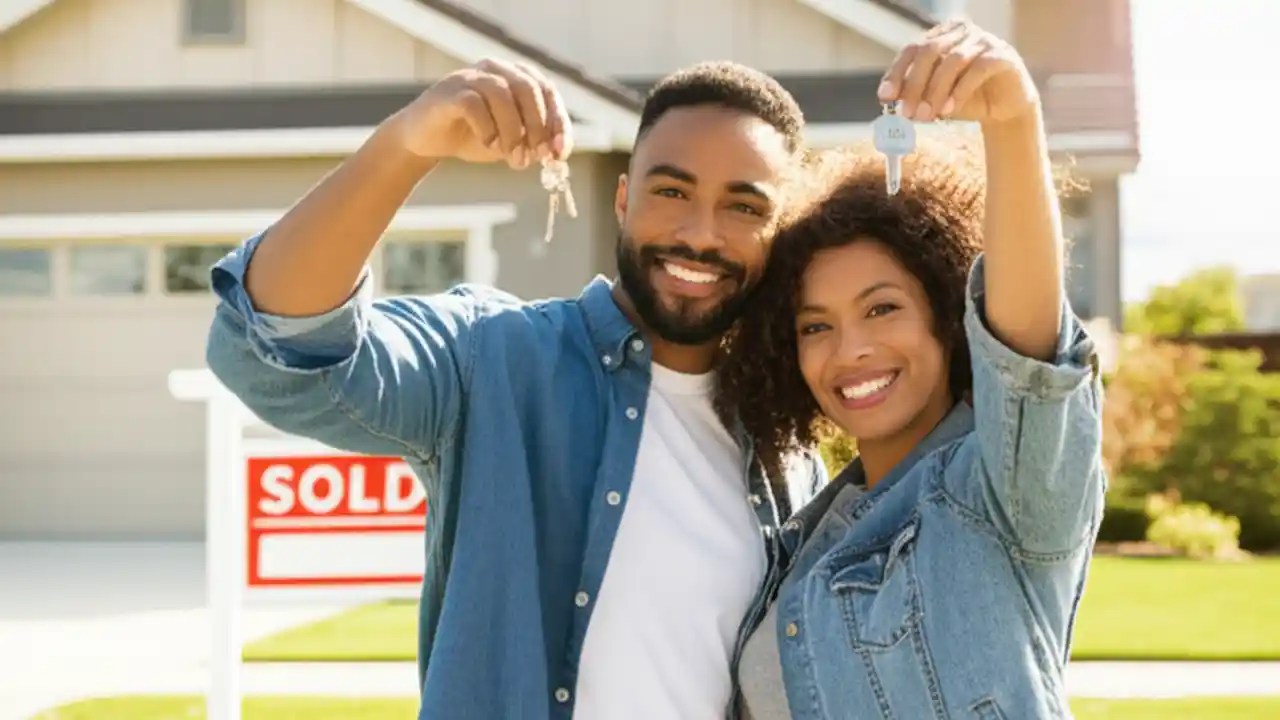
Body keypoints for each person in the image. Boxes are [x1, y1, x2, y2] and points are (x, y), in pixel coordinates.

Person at [204, 57, 825, 719]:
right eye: (671, 191)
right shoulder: (493, 357)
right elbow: (275, 346)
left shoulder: (786, 456)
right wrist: (407, 144)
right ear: (623, 199)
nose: (700, 234)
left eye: (743, 205)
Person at [718, 20, 1106, 719]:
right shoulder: (803, 541)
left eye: (882, 308)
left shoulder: (1001, 492)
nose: (851, 349)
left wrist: (1013, 120)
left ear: (947, 313)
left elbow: (1029, 362)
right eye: (815, 326)